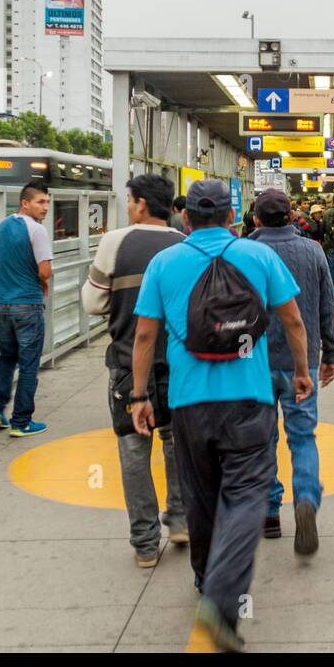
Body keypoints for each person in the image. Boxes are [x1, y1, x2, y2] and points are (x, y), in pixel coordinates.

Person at [131, 179, 312, 653]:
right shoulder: (259, 257)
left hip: (188, 404)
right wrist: (300, 371)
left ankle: (204, 582)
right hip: (249, 401)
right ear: (232, 218)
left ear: (184, 218)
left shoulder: (164, 262)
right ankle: (220, 602)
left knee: (201, 497)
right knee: (247, 497)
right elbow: (293, 320)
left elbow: (145, 337)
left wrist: (139, 396)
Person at [81, 173, 188, 569]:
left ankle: (145, 544)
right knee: (177, 445)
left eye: (129, 200)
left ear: (141, 203)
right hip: (179, 366)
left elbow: (93, 303)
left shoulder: (115, 242)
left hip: (128, 366)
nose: (127, 205)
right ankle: (180, 521)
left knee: (133, 452)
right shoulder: (185, 245)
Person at [249, 189, 334, 554]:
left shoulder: (244, 252)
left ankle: (269, 514)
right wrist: (329, 352)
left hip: (254, 362)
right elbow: (326, 304)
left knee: (262, 438)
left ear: (256, 218)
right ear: (291, 217)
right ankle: (306, 499)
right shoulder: (313, 251)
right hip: (302, 361)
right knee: (303, 436)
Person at [0, 181, 53, 437]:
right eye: (40, 202)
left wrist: (11, 273)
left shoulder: (2, 226)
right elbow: (45, 270)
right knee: (28, 363)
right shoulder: (36, 230)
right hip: (27, 304)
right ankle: (21, 421)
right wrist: (38, 279)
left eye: (47, 202)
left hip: (1, 302)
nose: (45, 207)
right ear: (25, 203)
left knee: (6, 357)